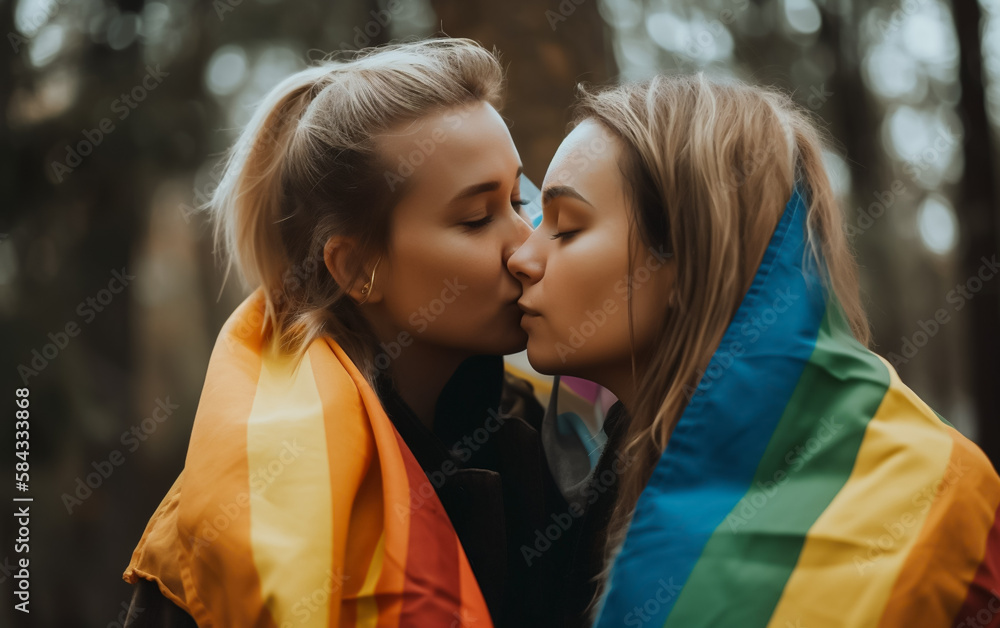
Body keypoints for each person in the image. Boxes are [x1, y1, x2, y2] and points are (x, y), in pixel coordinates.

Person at [508, 73, 1000, 627]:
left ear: (689, 256)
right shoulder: (579, 480)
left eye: (566, 227)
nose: (521, 257)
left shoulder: (933, 494)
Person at [122, 38, 575, 628]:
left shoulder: (551, 436)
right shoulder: (246, 516)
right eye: (476, 218)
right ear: (358, 269)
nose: (528, 243)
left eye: (519, 199)